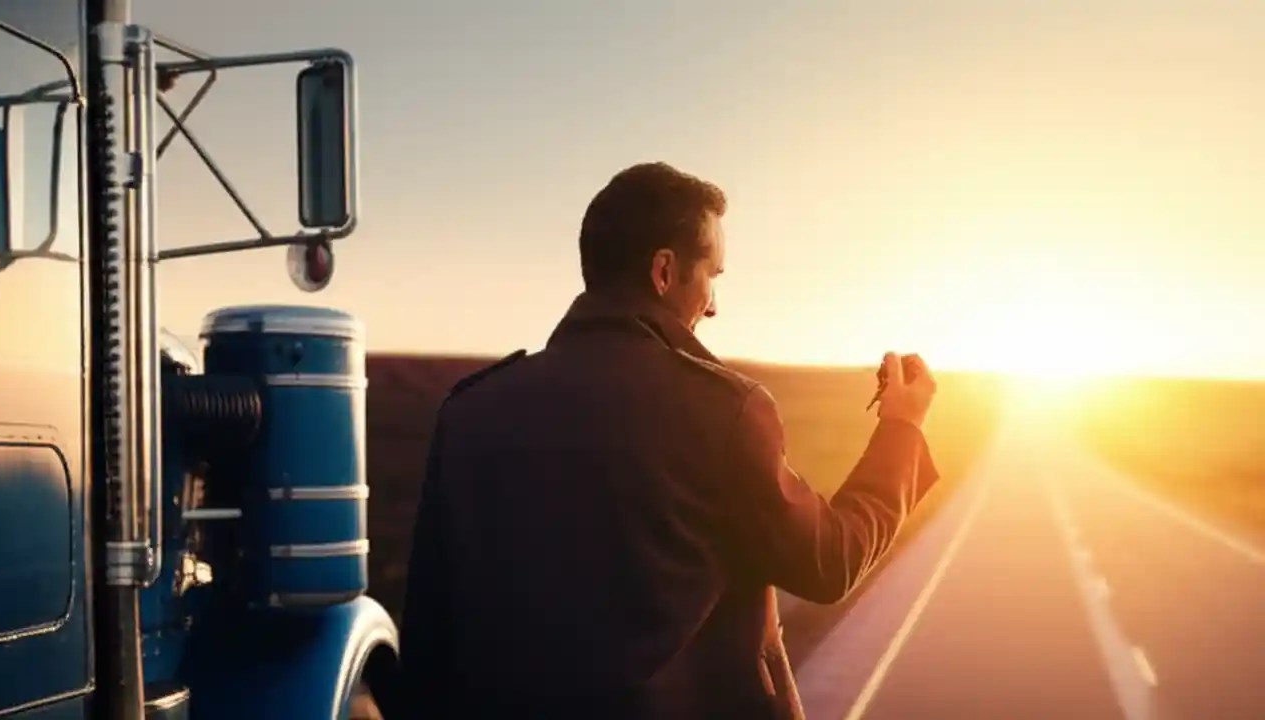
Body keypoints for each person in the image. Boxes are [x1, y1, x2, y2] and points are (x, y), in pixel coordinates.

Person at [397, 162, 940, 719]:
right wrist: (901, 428)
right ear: (664, 271)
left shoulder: (468, 412)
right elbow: (829, 561)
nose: (713, 304)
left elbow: (427, 641)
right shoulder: (724, 411)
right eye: (712, 276)